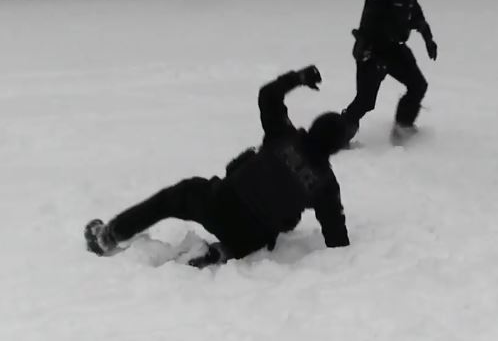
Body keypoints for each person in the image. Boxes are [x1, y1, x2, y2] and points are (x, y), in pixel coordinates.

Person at [83, 66, 351, 267]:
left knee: (173, 198)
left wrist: (298, 78)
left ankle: (111, 235)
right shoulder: (326, 185)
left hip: (220, 204)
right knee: (266, 228)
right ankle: (223, 252)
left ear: (313, 126)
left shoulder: (283, 136)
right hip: (251, 236)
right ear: (335, 149)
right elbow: (337, 239)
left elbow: (267, 95)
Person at [343, 0, 438, 146]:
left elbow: (418, 19)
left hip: (395, 49)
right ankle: (339, 136)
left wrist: (429, 40)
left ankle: (403, 126)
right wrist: (371, 52)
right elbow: (371, 22)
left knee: (418, 85)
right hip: (372, 51)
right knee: (365, 101)